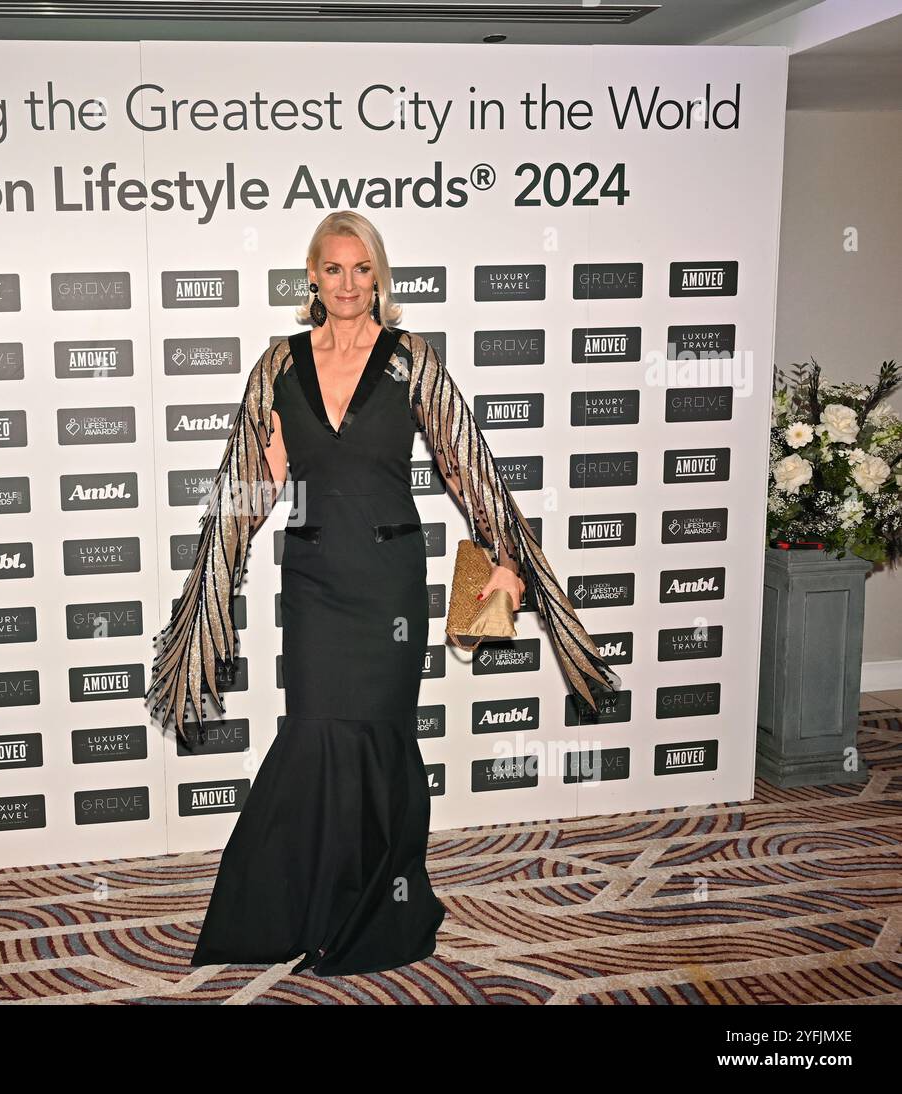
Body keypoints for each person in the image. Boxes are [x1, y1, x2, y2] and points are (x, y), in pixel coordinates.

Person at [146, 211, 621, 976]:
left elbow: (464, 464)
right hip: (311, 579)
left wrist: (507, 558)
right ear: (312, 276)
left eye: (363, 269)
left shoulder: (411, 360)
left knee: (382, 740)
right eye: (334, 269)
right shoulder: (279, 363)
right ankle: (293, 907)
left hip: (389, 582)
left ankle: (380, 910)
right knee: (314, 737)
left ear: (380, 277)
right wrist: (213, 572)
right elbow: (257, 477)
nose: (349, 284)